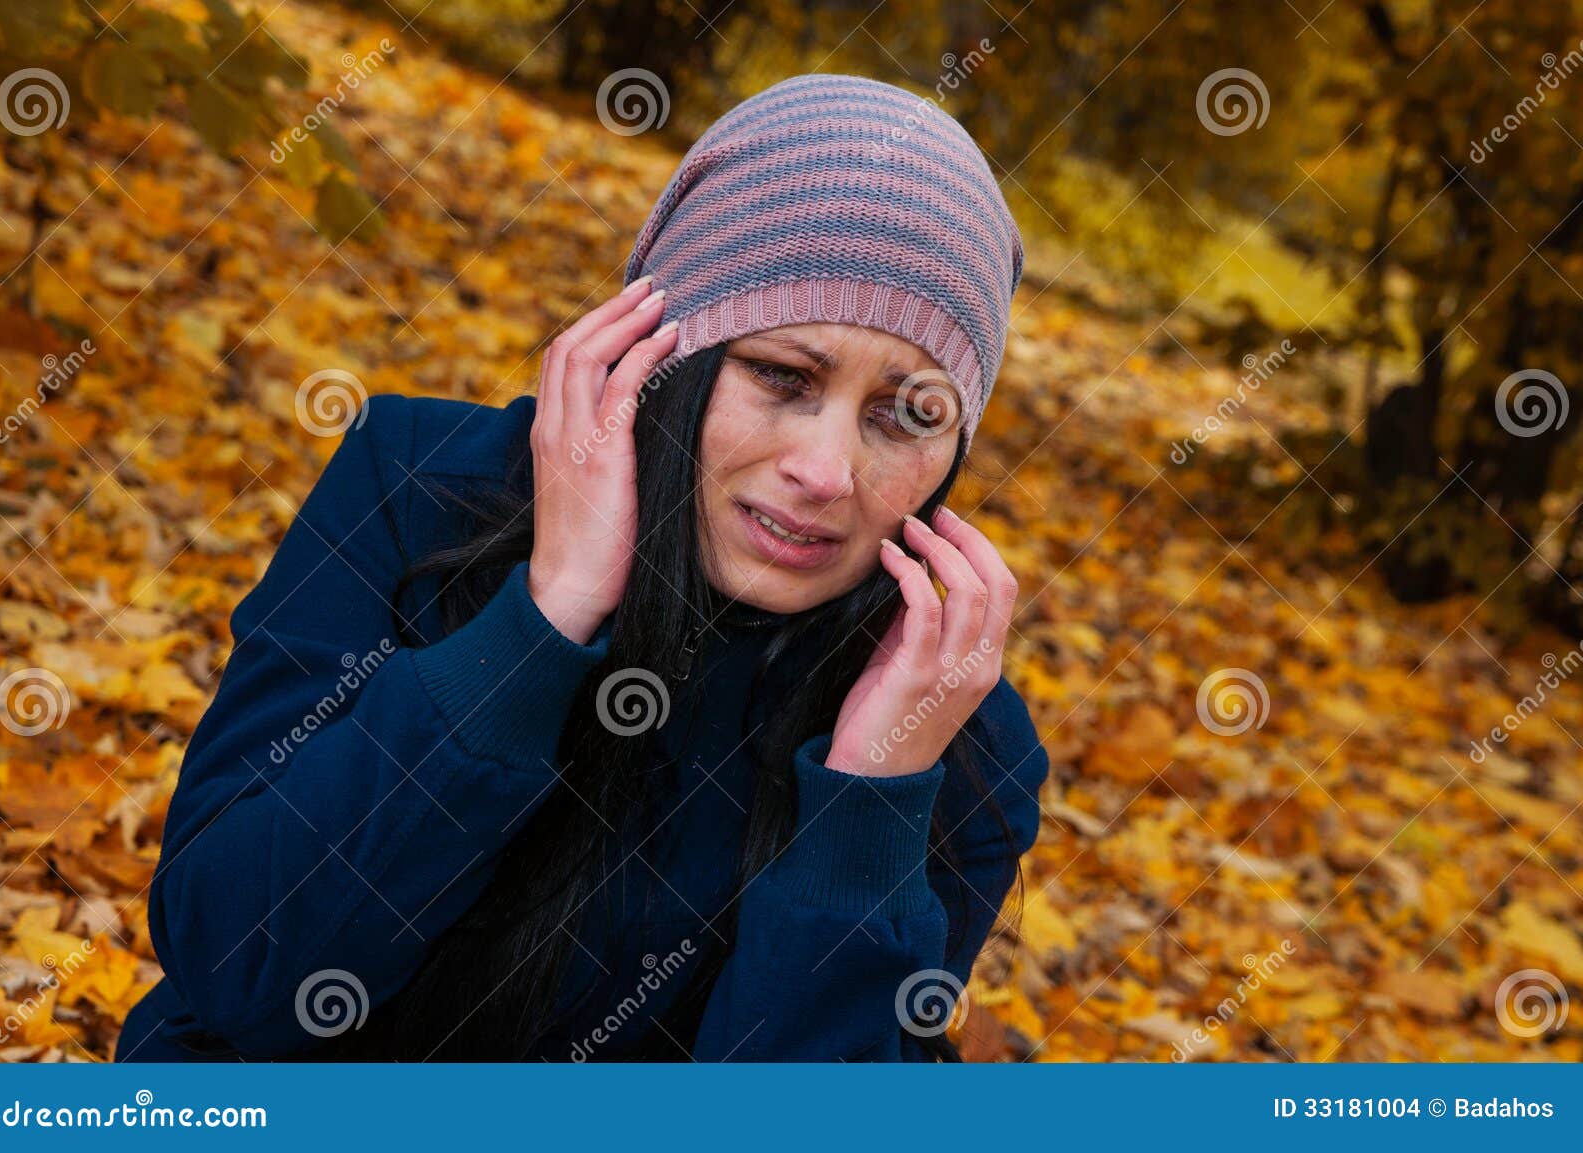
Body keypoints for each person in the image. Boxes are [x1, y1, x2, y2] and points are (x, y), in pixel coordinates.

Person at [115, 72, 1048, 1063]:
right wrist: (539, 624)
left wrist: (864, 812)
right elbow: (238, 966)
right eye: (782, 376)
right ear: (658, 350)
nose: (825, 472)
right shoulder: (421, 489)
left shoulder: (954, 733)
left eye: (905, 415)